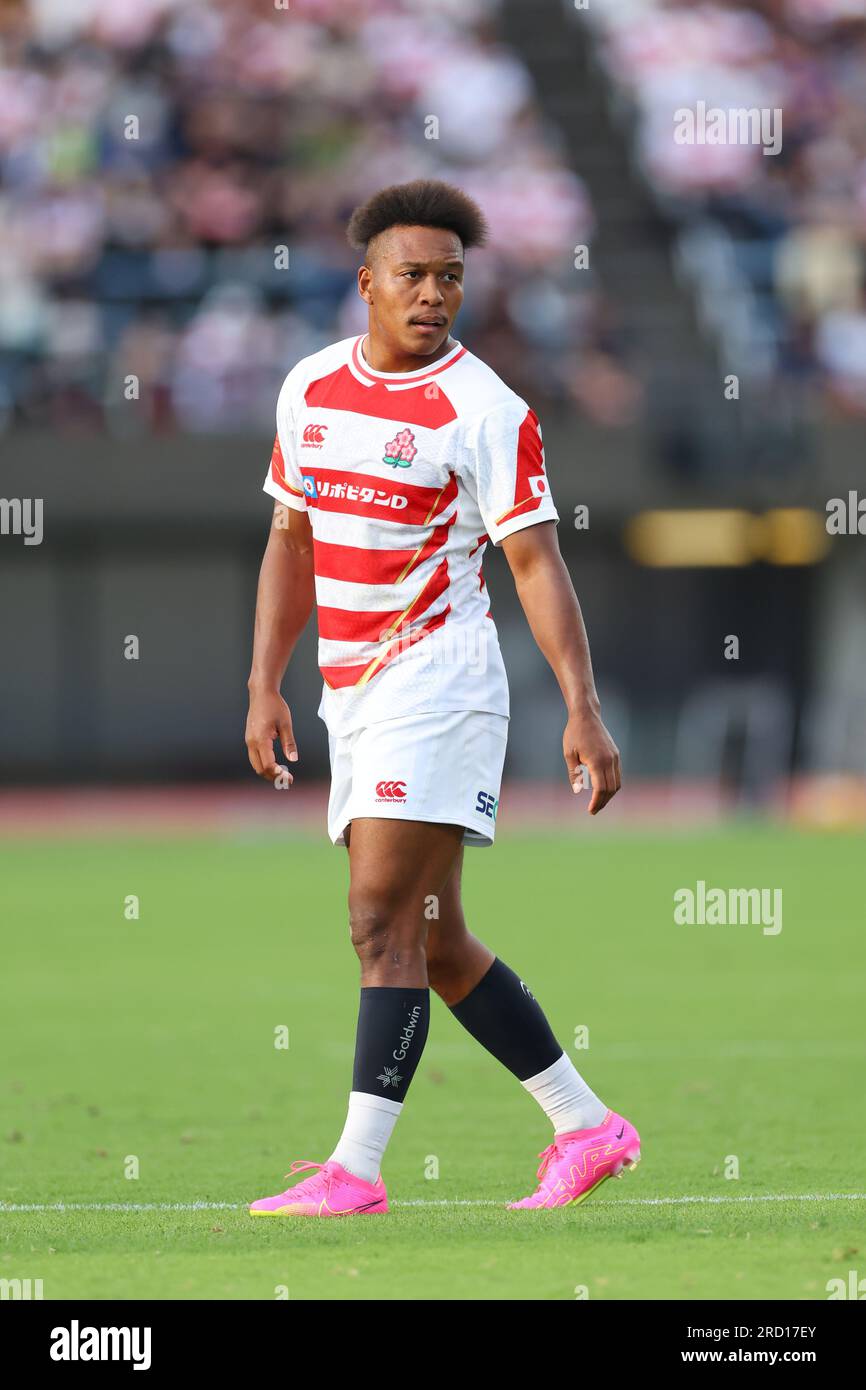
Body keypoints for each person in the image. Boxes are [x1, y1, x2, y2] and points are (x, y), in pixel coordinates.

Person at [245, 178, 638, 1216]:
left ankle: (355, 1170)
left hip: (441, 680)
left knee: (379, 920)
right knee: (437, 935)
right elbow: (291, 541)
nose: (433, 294)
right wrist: (263, 682)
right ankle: (586, 1125)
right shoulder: (310, 388)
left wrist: (580, 707)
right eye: (412, 275)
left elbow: (536, 565)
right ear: (365, 281)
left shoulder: (487, 409)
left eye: (450, 277)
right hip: (349, 689)